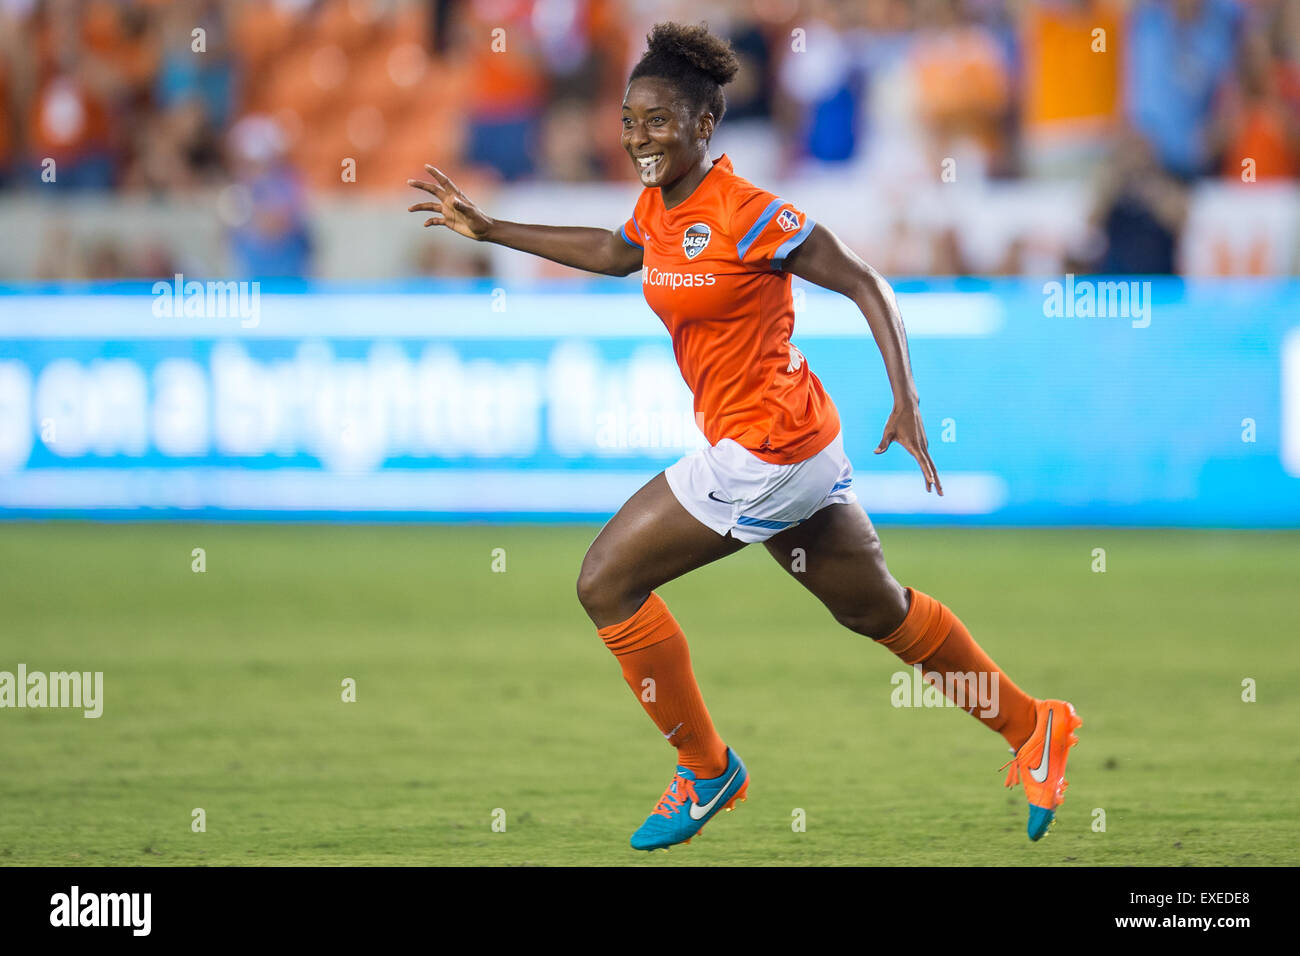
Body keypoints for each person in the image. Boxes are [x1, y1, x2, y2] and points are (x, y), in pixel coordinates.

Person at [408, 22, 1080, 852]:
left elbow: (868, 283)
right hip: (795, 448)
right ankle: (1033, 726)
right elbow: (621, 253)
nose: (637, 138)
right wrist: (493, 229)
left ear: (703, 125)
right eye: (628, 121)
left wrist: (905, 398)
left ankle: (706, 766)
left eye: (656, 121)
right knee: (879, 611)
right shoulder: (660, 206)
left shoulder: (752, 213)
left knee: (605, 582)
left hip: (765, 452)